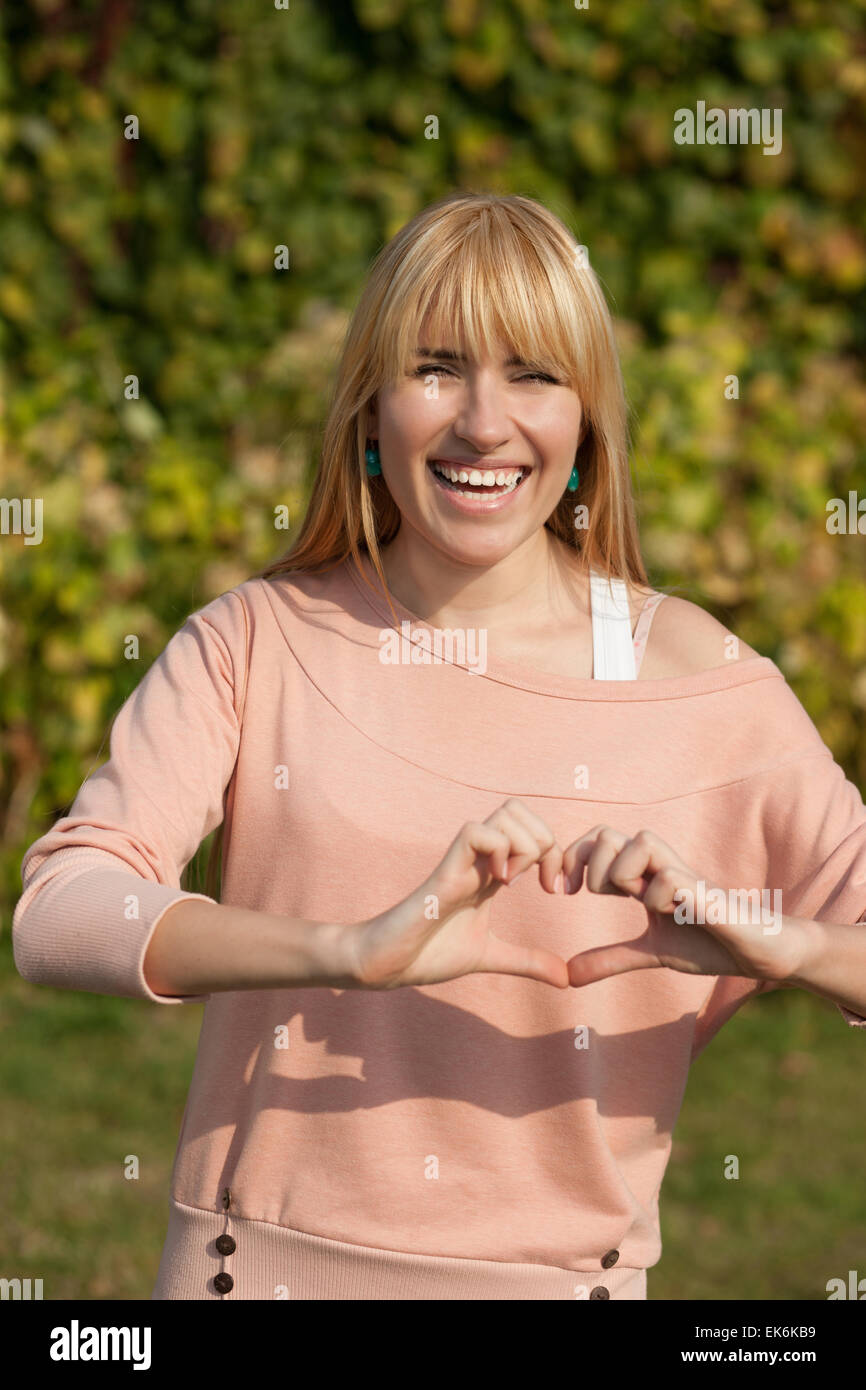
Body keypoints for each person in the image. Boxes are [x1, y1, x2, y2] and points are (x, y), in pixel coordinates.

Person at [12, 191, 866, 1302]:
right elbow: (58, 912)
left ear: (585, 419)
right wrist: (350, 950)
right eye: (434, 367)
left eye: (533, 373)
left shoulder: (698, 680)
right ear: (369, 407)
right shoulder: (254, 641)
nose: (480, 421)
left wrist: (775, 942)